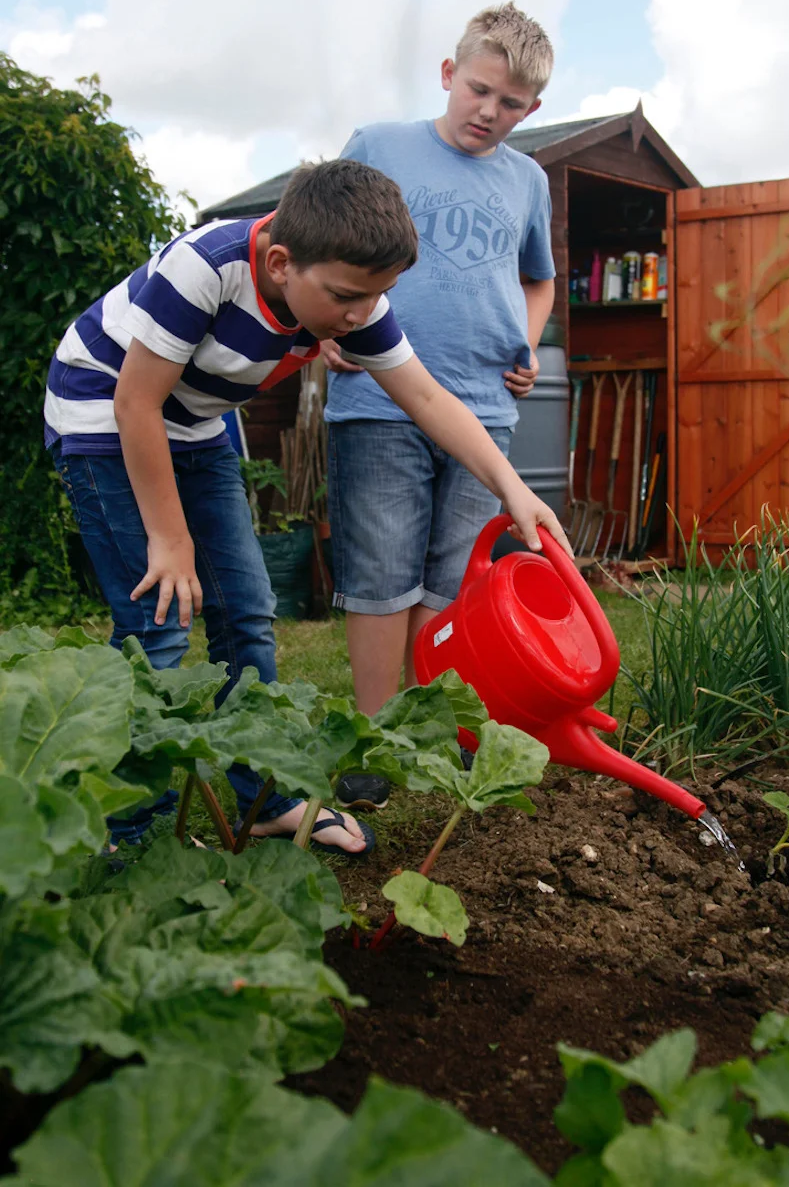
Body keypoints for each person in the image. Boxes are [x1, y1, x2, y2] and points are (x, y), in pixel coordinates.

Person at [45, 158, 568, 854]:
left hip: (195, 427)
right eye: (347, 297)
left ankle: (266, 800)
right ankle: (121, 831)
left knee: (248, 612)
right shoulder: (204, 270)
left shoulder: (353, 298)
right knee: (158, 623)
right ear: (281, 263)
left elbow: (426, 398)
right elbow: (135, 402)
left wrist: (513, 488)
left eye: (377, 296)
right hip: (103, 415)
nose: (360, 314)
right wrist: (170, 541)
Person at [323, 2, 556, 736]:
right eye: (478, 89)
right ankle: (372, 736)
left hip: (485, 406)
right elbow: (319, 243)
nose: (488, 111)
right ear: (449, 73)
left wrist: (527, 343)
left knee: (453, 580)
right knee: (381, 573)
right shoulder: (379, 145)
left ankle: (425, 730)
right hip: (378, 398)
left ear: (532, 108)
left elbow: (539, 280)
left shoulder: (528, 182)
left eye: (510, 103)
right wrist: (320, 328)